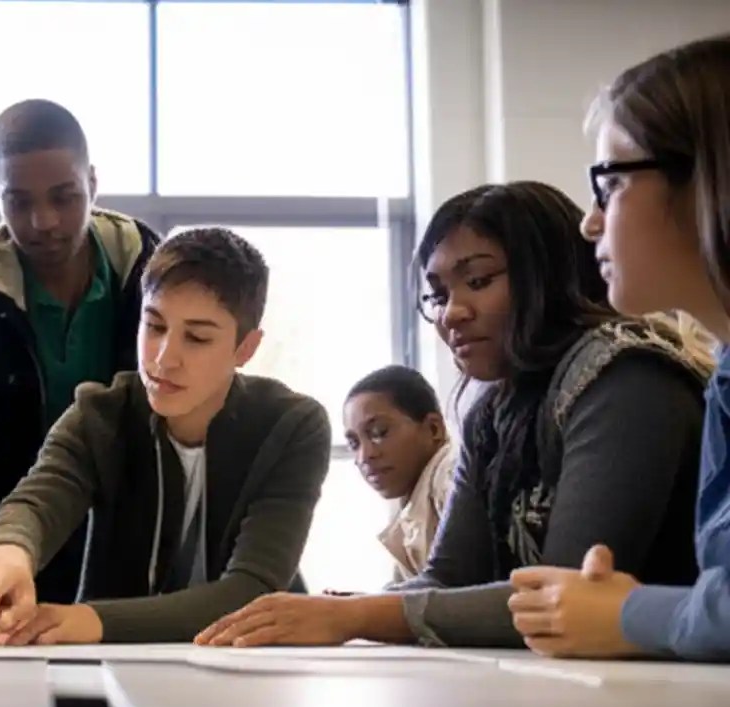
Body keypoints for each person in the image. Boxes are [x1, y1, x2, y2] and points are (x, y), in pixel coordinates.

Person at [196, 181, 710, 649]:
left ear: (549, 274)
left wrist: (355, 616)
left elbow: (559, 596)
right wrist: (349, 610)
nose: (451, 312)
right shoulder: (494, 408)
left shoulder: (626, 379)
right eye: (437, 295)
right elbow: (447, 576)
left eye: (479, 280)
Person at [0, 227, 331, 644]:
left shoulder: (292, 426)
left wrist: (90, 620)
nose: (164, 359)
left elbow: (251, 591)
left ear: (245, 349)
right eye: (155, 326)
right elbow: (39, 500)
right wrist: (8, 549)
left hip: (254, 661)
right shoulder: (100, 415)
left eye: (197, 337)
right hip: (117, 660)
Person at [510, 34, 730, 661]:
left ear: (710, 178)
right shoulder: (724, 381)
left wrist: (633, 614)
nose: (590, 221)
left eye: (609, 182)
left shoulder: (630, 375)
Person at [0, 99, 161, 603]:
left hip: (136, 541)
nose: (43, 221)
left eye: (64, 197)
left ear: (92, 184)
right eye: (19, 201)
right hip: (8, 543)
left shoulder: (152, 271)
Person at [342, 365, 454, 585]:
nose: (365, 456)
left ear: (434, 429)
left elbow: (461, 591)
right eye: (354, 443)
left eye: (379, 433)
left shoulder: (449, 475)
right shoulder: (408, 501)